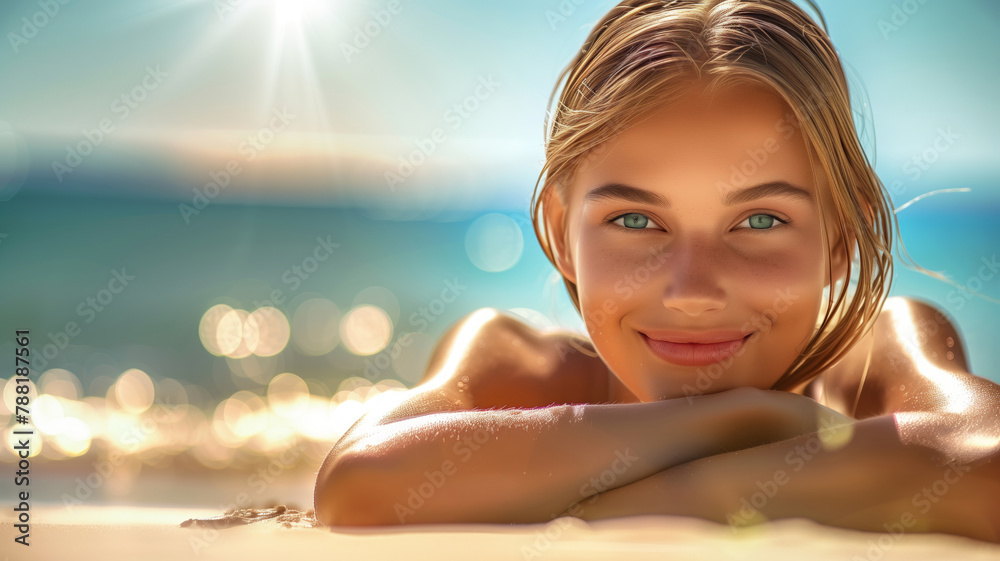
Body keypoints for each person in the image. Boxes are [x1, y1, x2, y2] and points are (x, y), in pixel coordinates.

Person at [314, 0, 1000, 541]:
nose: (692, 291)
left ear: (842, 238)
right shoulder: (515, 358)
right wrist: (741, 421)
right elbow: (359, 482)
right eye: (637, 221)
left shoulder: (879, 353)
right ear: (560, 233)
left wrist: (658, 492)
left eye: (760, 221)